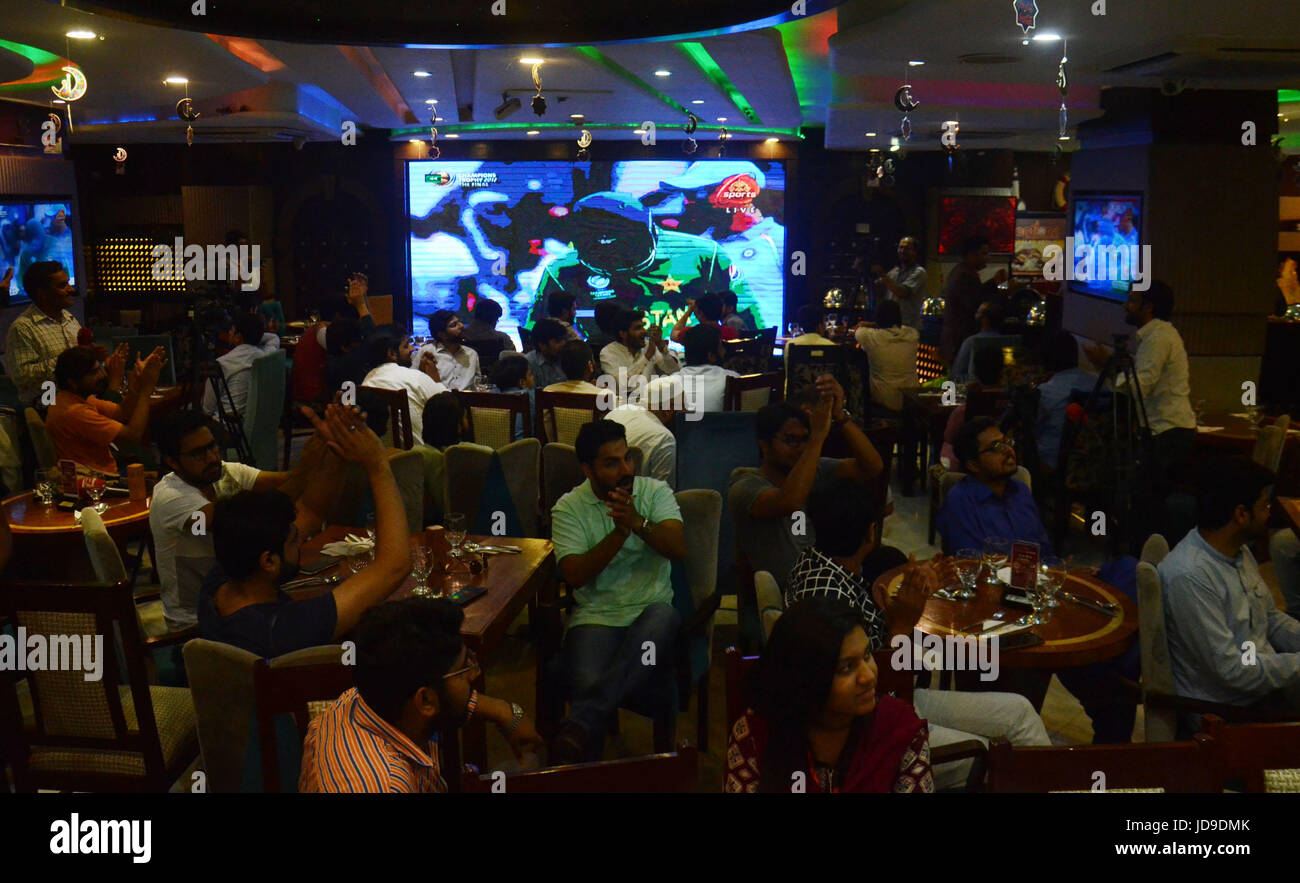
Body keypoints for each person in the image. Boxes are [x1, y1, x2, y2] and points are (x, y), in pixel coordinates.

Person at [787, 479, 1051, 789]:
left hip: (898, 696)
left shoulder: (822, 567)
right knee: (995, 754)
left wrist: (911, 604)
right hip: (869, 726)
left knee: (1020, 711)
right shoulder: (826, 593)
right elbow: (861, 687)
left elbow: (875, 649)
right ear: (871, 533)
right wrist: (901, 624)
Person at [201, 404, 410, 657]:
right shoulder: (283, 627)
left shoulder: (219, 582)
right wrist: (378, 465)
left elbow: (311, 510)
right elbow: (394, 565)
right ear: (268, 561)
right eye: (293, 540)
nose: (301, 539)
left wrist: (337, 449)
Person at [299, 598, 545, 793]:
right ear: (425, 700)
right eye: (463, 669)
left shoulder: (368, 696)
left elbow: (448, 698)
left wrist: (503, 711)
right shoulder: (383, 785)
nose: (473, 675)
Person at [549, 420, 686, 763]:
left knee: (661, 620)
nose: (626, 469)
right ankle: (591, 773)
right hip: (596, 617)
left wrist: (638, 523)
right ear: (587, 469)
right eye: (611, 463)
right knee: (586, 680)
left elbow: (678, 548)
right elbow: (574, 575)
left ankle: (577, 725)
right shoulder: (568, 508)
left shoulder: (655, 493)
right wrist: (619, 534)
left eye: (627, 458)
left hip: (652, 612)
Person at [150, 408, 342, 631]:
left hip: (239, 597)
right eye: (198, 454)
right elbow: (269, 507)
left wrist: (326, 449)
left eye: (212, 446)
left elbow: (284, 483)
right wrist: (308, 465)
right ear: (172, 462)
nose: (212, 457)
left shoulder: (222, 472)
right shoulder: (171, 498)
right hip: (198, 621)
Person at [725, 597, 933, 793]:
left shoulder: (898, 729)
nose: (868, 676)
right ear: (805, 678)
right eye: (846, 668)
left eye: (867, 654)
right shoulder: (757, 733)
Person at [1159, 456, 1300, 715]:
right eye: (1265, 506)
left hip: (1262, 686)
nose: (1270, 513)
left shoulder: (1239, 552)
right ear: (1241, 514)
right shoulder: (1191, 575)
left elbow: (1269, 619)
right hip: (1230, 711)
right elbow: (1232, 671)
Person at [728, 380, 884, 593]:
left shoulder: (812, 469)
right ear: (763, 444)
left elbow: (872, 467)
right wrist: (816, 439)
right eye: (791, 440)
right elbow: (790, 501)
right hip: (793, 595)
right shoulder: (744, 484)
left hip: (825, 578)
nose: (800, 448)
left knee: (889, 560)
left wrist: (840, 416)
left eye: (804, 440)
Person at [529, 190, 754, 331]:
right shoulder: (562, 269)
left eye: (617, 242)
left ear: (650, 234)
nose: (608, 251)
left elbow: (749, 321)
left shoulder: (705, 255)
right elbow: (535, 334)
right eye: (595, 240)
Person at [1082, 281, 1196, 496]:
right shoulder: (1156, 336)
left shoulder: (1159, 338)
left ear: (1148, 307)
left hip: (1167, 432)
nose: (1126, 306)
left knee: (1145, 500)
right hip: (1164, 430)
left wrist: (1108, 366)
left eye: (1132, 301)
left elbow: (1138, 389)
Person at [546, 341, 676, 487]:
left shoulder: (547, 391)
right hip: (593, 463)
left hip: (557, 461)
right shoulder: (604, 395)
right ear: (590, 365)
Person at [936, 417, 1051, 555]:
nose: (1008, 450)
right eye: (996, 447)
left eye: (1006, 442)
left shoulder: (1021, 491)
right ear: (973, 465)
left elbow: (1044, 549)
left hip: (1033, 575)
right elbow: (971, 564)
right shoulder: (961, 501)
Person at [46, 344, 166, 476]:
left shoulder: (75, 398)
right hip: (99, 481)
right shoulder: (74, 412)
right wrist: (146, 389)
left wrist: (138, 381)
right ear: (72, 382)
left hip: (102, 473)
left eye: (100, 369)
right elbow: (132, 437)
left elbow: (122, 412)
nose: (102, 375)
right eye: (93, 373)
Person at [5, 260, 82, 406]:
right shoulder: (23, 328)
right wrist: (67, 361)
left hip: (76, 402)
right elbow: (22, 377)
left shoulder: (70, 319)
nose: (71, 289)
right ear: (42, 294)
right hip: (47, 405)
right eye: (62, 286)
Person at [292, 273, 375, 403]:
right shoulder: (328, 336)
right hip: (315, 402)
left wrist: (362, 299)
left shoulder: (330, 332)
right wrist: (361, 305)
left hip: (324, 396)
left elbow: (369, 334)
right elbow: (372, 341)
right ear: (337, 317)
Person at [361, 327, 448, 446]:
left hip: (386, 457)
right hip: (421, 457)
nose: (412, 349)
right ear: (391, 353)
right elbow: (450, 407)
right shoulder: (414, 378)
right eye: (406, 346)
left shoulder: (366, 382)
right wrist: (434, 378)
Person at [939, 235, 1007, 367]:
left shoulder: (963, 272)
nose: (987, 258)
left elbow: (977, 294)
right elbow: (975, 304)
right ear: (971, 255)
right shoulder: (964, 275)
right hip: (958, 341)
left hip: (955, 340)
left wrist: (995, 283)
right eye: (984, 254)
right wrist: (1001, 290)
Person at [1035, 331, 1098, 470]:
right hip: (1093, 466)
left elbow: (1033, 430)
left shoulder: (1045, 392)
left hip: (1051, 464)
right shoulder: (1099, 384)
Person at [645, 323, 739, 415]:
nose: (724, 351)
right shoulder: (734, 379)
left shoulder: (664, 385)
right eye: (721, 347)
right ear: (711, 356)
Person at [202, 313, 276, 423]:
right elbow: (274, 338)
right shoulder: (267, 356)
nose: (229, 332)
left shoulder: (223, 363)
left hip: (225, 428)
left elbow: (207, 410)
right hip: (252, 425)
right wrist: (255, 335)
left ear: (238, 336)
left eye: (232, 330)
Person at [938, 345, 1005, 468]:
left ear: (974, 371)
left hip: (969, 466)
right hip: (1002, 459)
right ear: (1002, 370)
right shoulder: (1009, 400)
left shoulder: (964, 410)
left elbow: (948, 437)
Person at [853, 299, 919, 414]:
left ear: (877, 318)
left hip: (884, 400)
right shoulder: (912, 335)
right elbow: (904, 327)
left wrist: (871, 324)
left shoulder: (871, 337)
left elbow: (858, 331)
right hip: (911, 400)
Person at [599, 307, 681, 387]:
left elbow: (674, 371)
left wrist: (662, 348)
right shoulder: (608, 352)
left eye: (643, 326)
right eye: (638, 328)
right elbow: (622, 385)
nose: (644, 331)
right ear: (623, 334)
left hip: (651, 399)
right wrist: (647, 357)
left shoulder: (649, 346)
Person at [411, 309, 480, 391]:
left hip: (467, 401)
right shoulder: (427, 352)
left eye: (459, 322)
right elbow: (412, 380)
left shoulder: (471, 354)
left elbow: (478, 384)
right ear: (442, 335)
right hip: (438, 400)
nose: (461, 326)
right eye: (454, 325)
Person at [871, 236, 928, 332]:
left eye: (907, 248)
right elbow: (876, 288)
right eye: (900, 247)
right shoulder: (895, 271)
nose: (902, 251)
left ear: (915, 252)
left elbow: (902, 293)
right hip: (891, 326)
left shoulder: (919, 272)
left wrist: (882, 275)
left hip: (909, 328)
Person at [949, 301, 1003, 384]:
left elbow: (956, 375)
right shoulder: (1008, 341)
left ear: (984, 319)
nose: (975, 316)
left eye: (978, 313)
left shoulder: (970, 342)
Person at [669, 293, 739, 344]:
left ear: (700, 313)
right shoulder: (731, 332)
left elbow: (674, 334)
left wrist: (689, 310)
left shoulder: (691, 333)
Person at [524, 318, 569, 390]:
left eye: (564, 339)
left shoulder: (567, 358)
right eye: (557, 341)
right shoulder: (528, 363)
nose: (563, 344)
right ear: (542, 345)